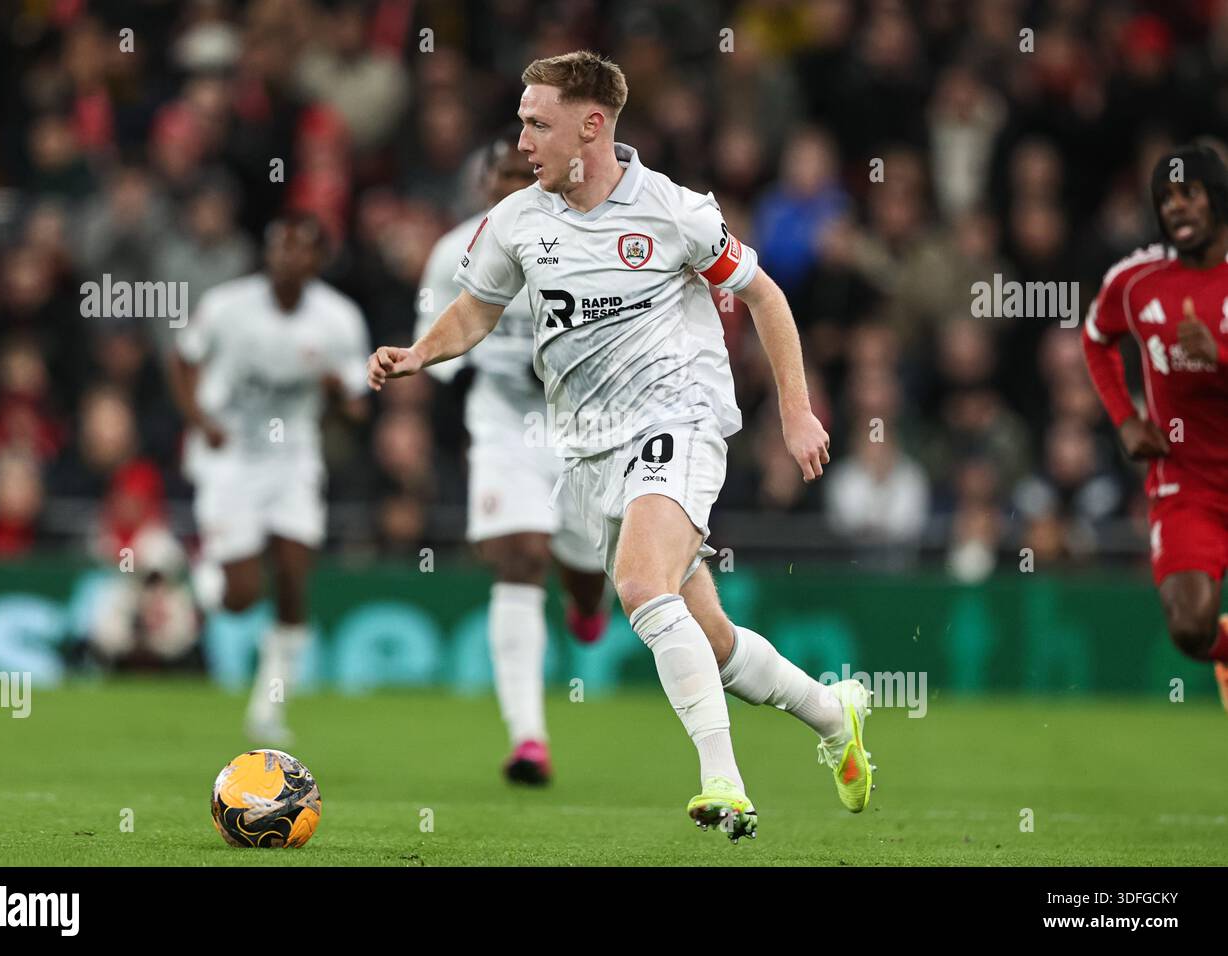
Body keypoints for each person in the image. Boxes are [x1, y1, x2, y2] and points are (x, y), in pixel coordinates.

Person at [369, 51, 874, 841]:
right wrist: (415, 354)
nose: (523, 139)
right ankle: (831, 713)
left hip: (681, 421)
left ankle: (725, 787)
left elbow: (765, 295)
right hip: (591, 452)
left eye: (538, 123)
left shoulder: (672, 211)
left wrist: (797, 412)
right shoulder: (518, 220)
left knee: (639, 586)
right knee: (713, 640)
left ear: (591, 125)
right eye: (522, 121)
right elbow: (475, 312)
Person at [415, 132, 610, 786]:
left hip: (583, 421)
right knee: (520, 556)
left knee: (586, 568)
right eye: (500, 175)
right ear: (483, 186)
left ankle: (587, 602)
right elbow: (435, 347)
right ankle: (529, 739)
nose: (510, 185)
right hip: (504, 420)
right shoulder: (453, 254)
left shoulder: (588, 237)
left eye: (521, 172)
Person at [170, 212, 370, 743]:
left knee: (293, 572)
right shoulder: (227, 306)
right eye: (279, 246)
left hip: (293, 456)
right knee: (239, 597)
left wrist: (336, 392)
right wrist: (200, 420)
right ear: (267, 253)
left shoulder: (339, 319)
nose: (288, 257)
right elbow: (183, 359)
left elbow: (357, 405)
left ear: (319, 260)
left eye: (301, 248)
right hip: (230, 452)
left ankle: (269, 707)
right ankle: (206, 570)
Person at [1082, 142, 1228, 710]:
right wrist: (1124, 419)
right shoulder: (1136, 280)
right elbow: (1095, 337)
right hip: (1186, 479)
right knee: (1190, 628)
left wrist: (1218, 353)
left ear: (1216, 198)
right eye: (1164, 198)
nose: (1176, 208)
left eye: (1188, 193)